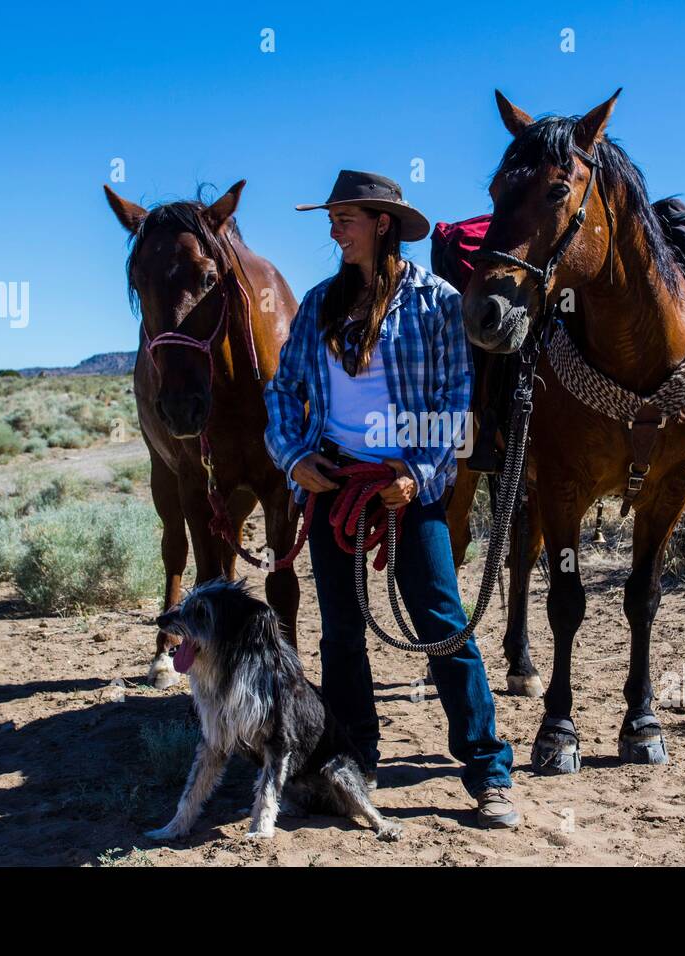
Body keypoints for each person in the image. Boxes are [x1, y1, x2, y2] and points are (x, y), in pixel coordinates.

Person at [265, 170, 519, 828]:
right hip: (336, 482)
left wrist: (418, 472)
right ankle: (355, 762)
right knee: (341, 636)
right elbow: (280, 392)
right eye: (332, 218)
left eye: (344, 217)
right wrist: (296, 457)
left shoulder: (436, 302)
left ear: (382, 223)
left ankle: (489, 771)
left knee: (440, 623)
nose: (333, 229)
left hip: (408, 485)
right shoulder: (321, 303)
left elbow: (455, 401)